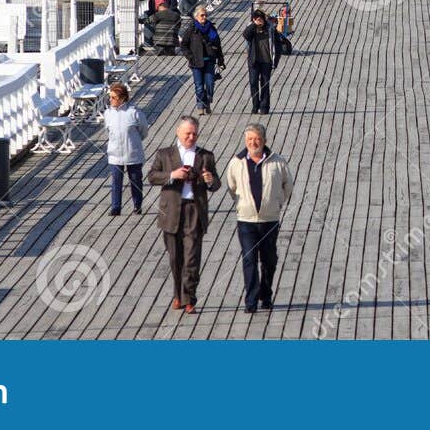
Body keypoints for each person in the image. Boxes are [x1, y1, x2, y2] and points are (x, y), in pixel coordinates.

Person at [147, 116, 220, 314]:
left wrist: (209, 179)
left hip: (194, 210)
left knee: (192, 258)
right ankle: (178, 294)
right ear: (178, 133)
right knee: (175, 257)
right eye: (187, 133)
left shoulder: (206, 156)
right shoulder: (165, 154)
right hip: (171, 212)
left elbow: (216, 185)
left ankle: (190, 297)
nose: (191, 137)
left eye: (194, 133)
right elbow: (152, 176)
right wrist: (172, 175)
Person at [224, 122, 294, 313]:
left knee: (269, 259)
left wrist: (277, 202)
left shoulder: (277, 162)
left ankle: (266, 293)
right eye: (249, 139)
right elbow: (231, 186)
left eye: (257, 139)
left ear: (264, 140)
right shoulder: (236, 162)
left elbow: (288, 185)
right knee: (249, 258)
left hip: (269, 219)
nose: (253, 142)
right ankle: (251, 301)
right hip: (246, 221)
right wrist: (242, 203)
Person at [102, 83, 147, 215]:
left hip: (132, 153)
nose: (110, 100)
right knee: (116, 181)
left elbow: (143, 130)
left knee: (136, 180)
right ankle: (116, 207)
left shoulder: (134, 113)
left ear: (122, 98)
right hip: (115, 153)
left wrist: (135, 142)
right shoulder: (108, 113)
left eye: (113, 97)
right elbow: (108, 130)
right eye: (110, 97)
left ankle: (137, 205)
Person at [178, 5, 224, 114]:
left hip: (209, 60)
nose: (204, 17)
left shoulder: (211, 28)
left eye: (205, 15)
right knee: (199, 86)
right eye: (202, 15)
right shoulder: (191, 29)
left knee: (210, 84)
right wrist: (190, 56)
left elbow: (218, 44)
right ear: (196, 16)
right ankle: (200, 105)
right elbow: (183, 45)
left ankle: (207, 102)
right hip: (196, 61)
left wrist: (220, 59)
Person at [244, 8, 275, 114]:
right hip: (254, 60)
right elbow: (245, 35)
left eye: (260, 19)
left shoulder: (269, 28)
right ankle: (255, 104)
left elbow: (277, 45)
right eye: (256, 19)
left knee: (265, 84)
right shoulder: (251, 28)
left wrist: (276, 59)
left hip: (267, 60)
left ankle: (264, 107)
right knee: (253, 82)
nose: (259, 21)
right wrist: (254, 25)